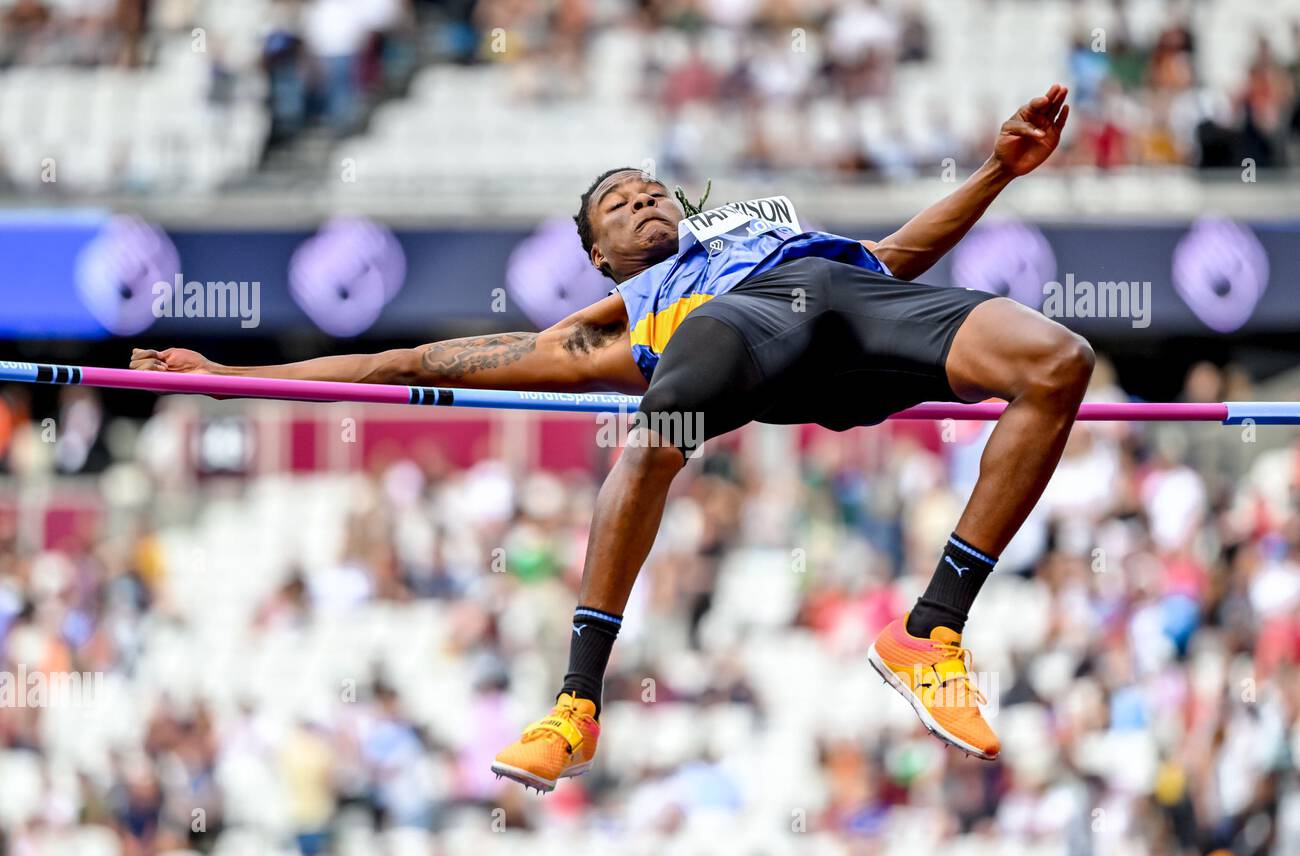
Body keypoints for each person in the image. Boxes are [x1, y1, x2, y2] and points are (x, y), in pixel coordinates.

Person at [132, 85, 1090, 792]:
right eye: (619, 205)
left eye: (652, 189)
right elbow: (407, 362)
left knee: (1059, 362)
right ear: (597, 255)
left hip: (853, 305)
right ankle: (576, 703)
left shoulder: (759, 229)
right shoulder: (611, 324)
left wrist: (999, 169)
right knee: (663, 420)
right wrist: (235, 379)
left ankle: (931, 631)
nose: (643, 199)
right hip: (734, 334)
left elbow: (889, 259)